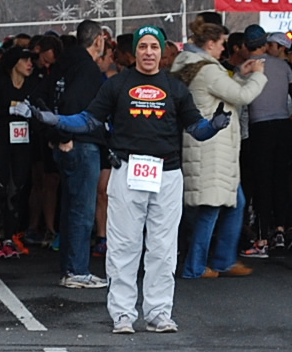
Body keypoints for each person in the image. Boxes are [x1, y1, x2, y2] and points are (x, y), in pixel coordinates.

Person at [19, 25, 230, 335]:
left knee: (163, 248)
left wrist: (214, 126)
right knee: (124, 246)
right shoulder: (116, 85)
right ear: (135, 52)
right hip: (128, 172)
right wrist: (54, 120)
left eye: (154, 47)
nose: (148, 52)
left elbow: (196, 129)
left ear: (161, 52)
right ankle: (122, 314)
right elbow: (89, 120)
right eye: (143, 47)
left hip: (168, 174)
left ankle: (159, 313)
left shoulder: (175, 88)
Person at [174, 22, 268, 279]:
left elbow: (220, 95)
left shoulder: (190, 64)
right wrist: (257, 74)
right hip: (212, 150)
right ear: (210, 44)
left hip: (207, 149)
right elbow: (241, 96)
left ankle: (221, 260)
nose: (225, 47)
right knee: (211, 209)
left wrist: (238, 72)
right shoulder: (208, 71)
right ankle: (197, 267)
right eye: (222, 43)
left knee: (233, 203)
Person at [45, 18, 110, 289]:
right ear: (98, 41)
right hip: (81, 143)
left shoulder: (63, 64)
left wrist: (54, 135)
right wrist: (66, 135)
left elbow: (45, 95)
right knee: (82, 210)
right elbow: (73, 102)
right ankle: (77, 270)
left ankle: (70, 267)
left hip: (66, 143)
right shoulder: (87, 69)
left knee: (70, 208)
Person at [240, 29, 292, 256]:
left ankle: (263, 236)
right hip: (283, 125)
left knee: (262, 182)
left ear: (246, 46)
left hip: (259, 128)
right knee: (281, 180)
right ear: (266, 43)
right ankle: (281, 230)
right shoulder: (283, 66)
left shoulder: (245, 69)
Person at [0, 47, 38, 260]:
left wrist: (32, 112)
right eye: (25, 60)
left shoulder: (32, 85)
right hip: (0, 140)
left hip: (22, 142)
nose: (30, 64)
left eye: (31, 59)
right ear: (14, 63)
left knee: (18, 188)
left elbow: (42, 109)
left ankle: (10, 236)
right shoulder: (0, 84)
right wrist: (8, 110)